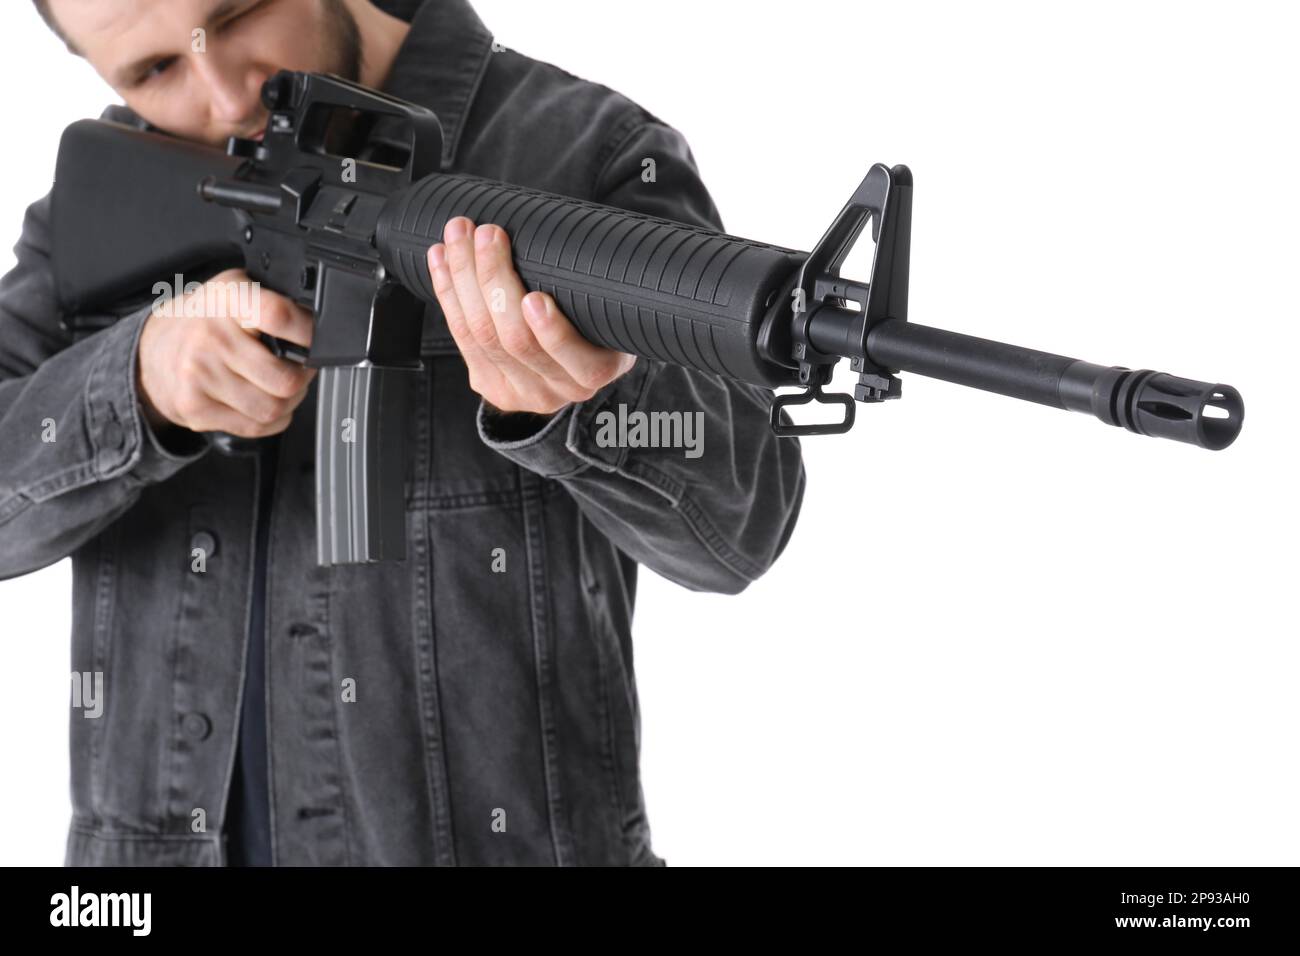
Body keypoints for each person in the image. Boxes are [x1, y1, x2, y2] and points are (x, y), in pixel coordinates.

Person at [1, 0, 806, 865]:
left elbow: (738, 528)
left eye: (235, 15)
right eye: (153, 71)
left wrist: (590, 403)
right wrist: (138, 381)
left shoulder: (584, 157)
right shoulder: (106, 201)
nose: (225, 94)